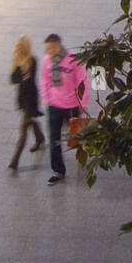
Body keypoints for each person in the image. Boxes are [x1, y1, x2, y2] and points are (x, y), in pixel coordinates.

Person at [40, 34, 89, 184]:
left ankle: (82, 158)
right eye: (46, 49)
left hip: (72, 106)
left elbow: (82, 81)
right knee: (54, 138)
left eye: (50, 48)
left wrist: (82, 103)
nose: (48, 51)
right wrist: (47, 99)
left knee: (77, 137)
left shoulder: (73, 59)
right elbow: (44, 81)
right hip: (54, 106)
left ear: (58, 46)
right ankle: (58, 170)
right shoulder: (46, 61)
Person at [8, 37, 45, 170]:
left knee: (23, 130)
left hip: (31, 98)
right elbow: (13, 79)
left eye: (22, 48)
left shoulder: (32, 60)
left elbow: (29, 80)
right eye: (18, 48)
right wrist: (22, 76)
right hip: (22, 98)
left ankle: (15, 161)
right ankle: (40, 137)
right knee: (30, 122)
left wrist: (22, 76)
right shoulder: (16, 60)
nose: (19, 50)